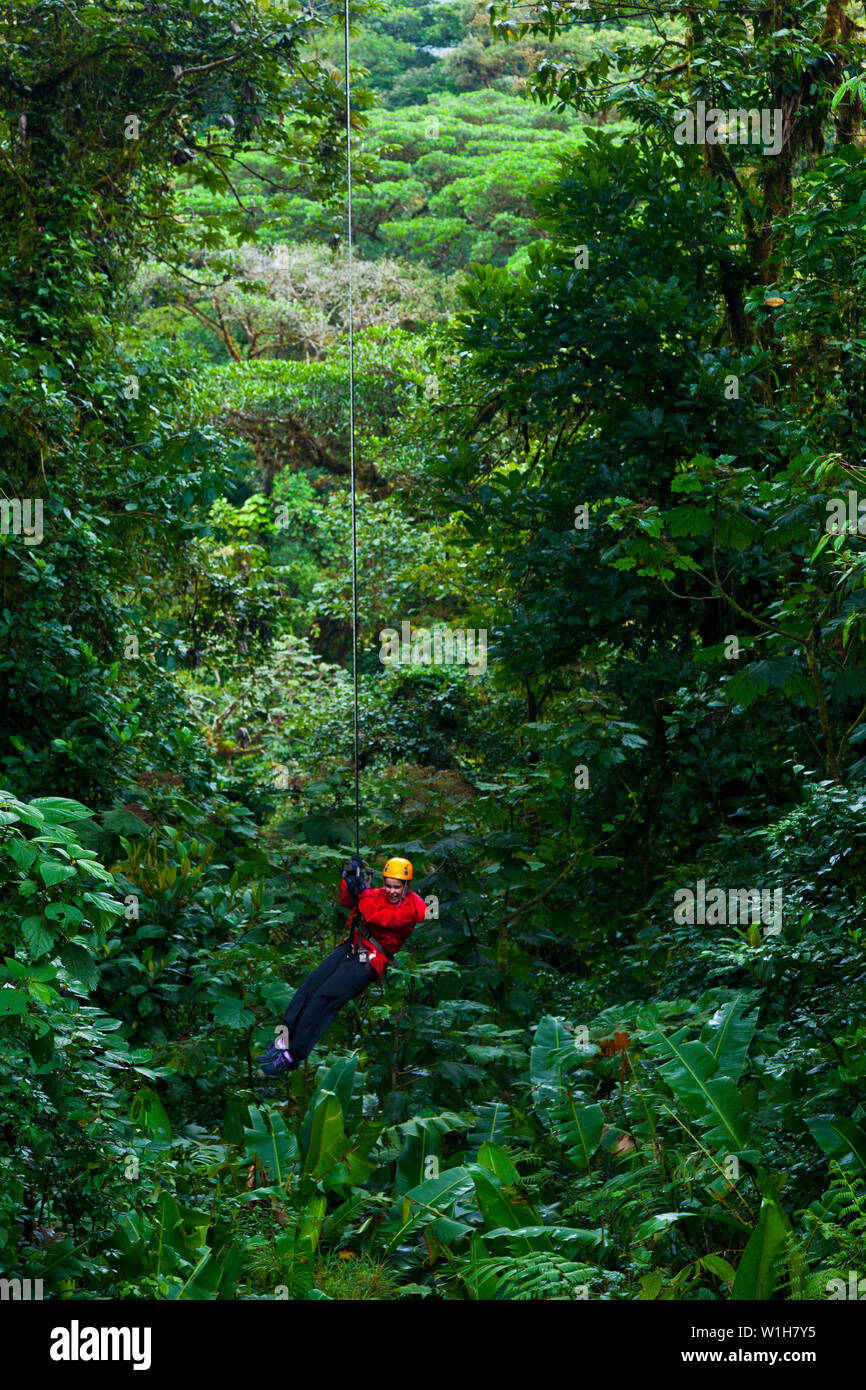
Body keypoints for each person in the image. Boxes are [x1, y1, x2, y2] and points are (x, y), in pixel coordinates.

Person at [257, 854, 427, 1076]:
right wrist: (349, 878)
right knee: (307, 990)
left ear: (407, 885)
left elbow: (377, 917)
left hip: (370, 961)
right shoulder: (378, 895)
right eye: (388, 886)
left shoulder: (412, 908)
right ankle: (280, 1043)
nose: (392, 891)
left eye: (398, 887)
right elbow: (348, 901)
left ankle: (292, 1056)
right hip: (351, 948)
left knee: (323, 999)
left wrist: (362, 891)